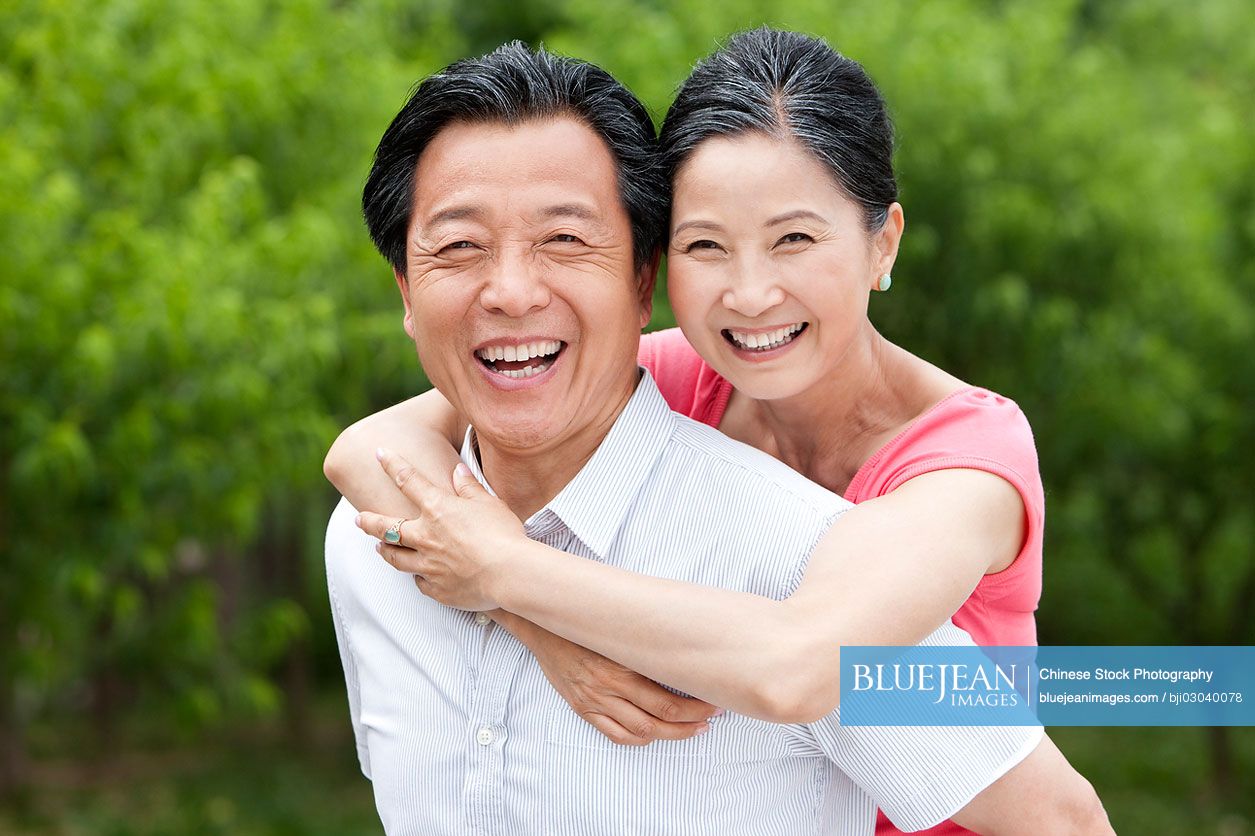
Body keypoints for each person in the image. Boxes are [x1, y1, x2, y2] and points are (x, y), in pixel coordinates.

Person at [328, 39, 1111, 834]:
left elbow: (798, 667)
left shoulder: (959, 468)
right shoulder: (672, 370)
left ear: (883, 241)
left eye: (794, 239)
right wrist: (530, 624)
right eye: (705, 245)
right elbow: (368, 447)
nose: (749, 294)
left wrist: (503, 571)